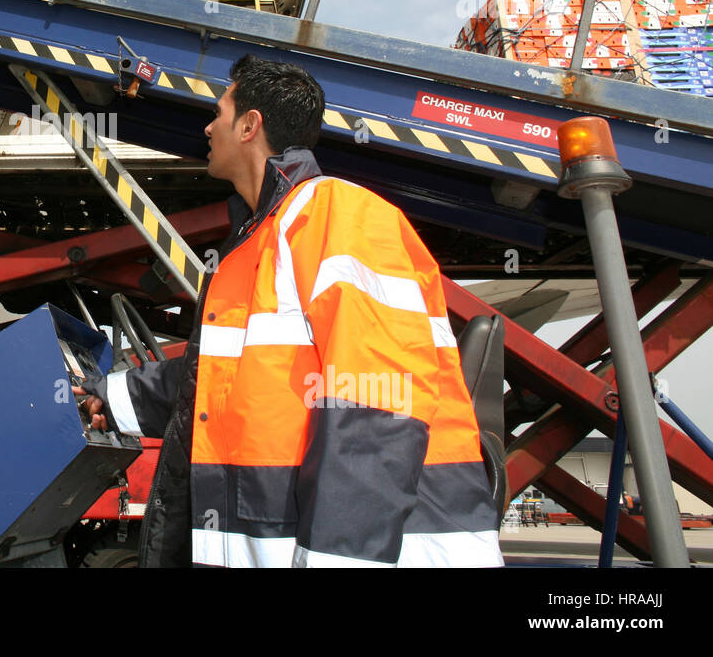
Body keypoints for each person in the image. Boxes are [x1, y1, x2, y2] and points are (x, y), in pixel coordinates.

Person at [78, 54, 503, 567]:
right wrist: (109, 395)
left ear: (249, 126)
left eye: (218, 112)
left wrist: (340, 559)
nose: (207, 127)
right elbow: (217, 378)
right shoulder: (260, 240)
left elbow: (375, 402)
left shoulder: (338, 214)